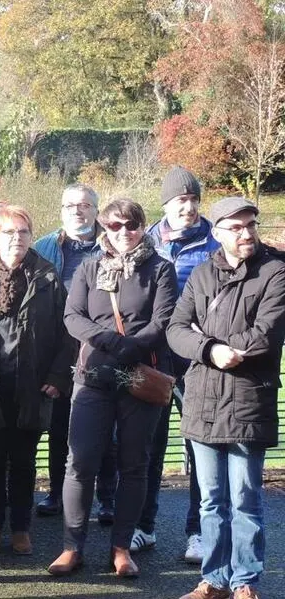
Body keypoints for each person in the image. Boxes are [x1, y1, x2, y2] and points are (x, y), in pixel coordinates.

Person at [49, 198, 177, 578]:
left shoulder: (160, 269)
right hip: (93, 377)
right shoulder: (90, 268)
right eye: (116, 226)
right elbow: (73, 317)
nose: (124, 232)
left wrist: (131, 347)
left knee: (134, 464)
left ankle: (122, 548)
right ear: (105, 228)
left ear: (142, 226)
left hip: (139, 375)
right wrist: (109, 341)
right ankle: (73, 546)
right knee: (81, 462)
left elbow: (163, 320)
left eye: (132, 225)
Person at [169, 197, 285, 599]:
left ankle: (245, 582)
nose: (246, 233)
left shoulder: (275, 273)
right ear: (216, 232)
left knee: (245, 500)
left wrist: (210, 343)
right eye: (235, 227)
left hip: (248, 400)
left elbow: (265, 334)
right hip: (202, 401)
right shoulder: (201, 274)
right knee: (211, 503)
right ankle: (214, 580)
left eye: (250, 224)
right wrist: (209, 350)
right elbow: (176, 329)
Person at [0, 204, 73, 556]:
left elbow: (69, 332)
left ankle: (21, 528)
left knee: (23, 462)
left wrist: (56, 376)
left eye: (22, 232)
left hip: (31, 385)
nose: (16, 239)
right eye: (8, 232)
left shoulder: (47, 276)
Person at [135, 166, 219, 562]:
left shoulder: (217, 240)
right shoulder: (145, 241)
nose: (187, 206)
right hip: (155, 356)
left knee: (200, 445)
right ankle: (143, 526)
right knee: (149, 444)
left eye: (192, 199)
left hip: (199, 356)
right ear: (165, 204)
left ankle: (198, 533)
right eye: (179, 200)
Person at [33, 184, 117, 524]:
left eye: (84, 205)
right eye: (70, 205)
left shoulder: (113, 245)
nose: (77, 211)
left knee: (106, 429)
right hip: (58, 352)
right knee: (59, 428)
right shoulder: (44, 247)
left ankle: (107, 498)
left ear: (96, 210)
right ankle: (56, 493)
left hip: (102, 347)